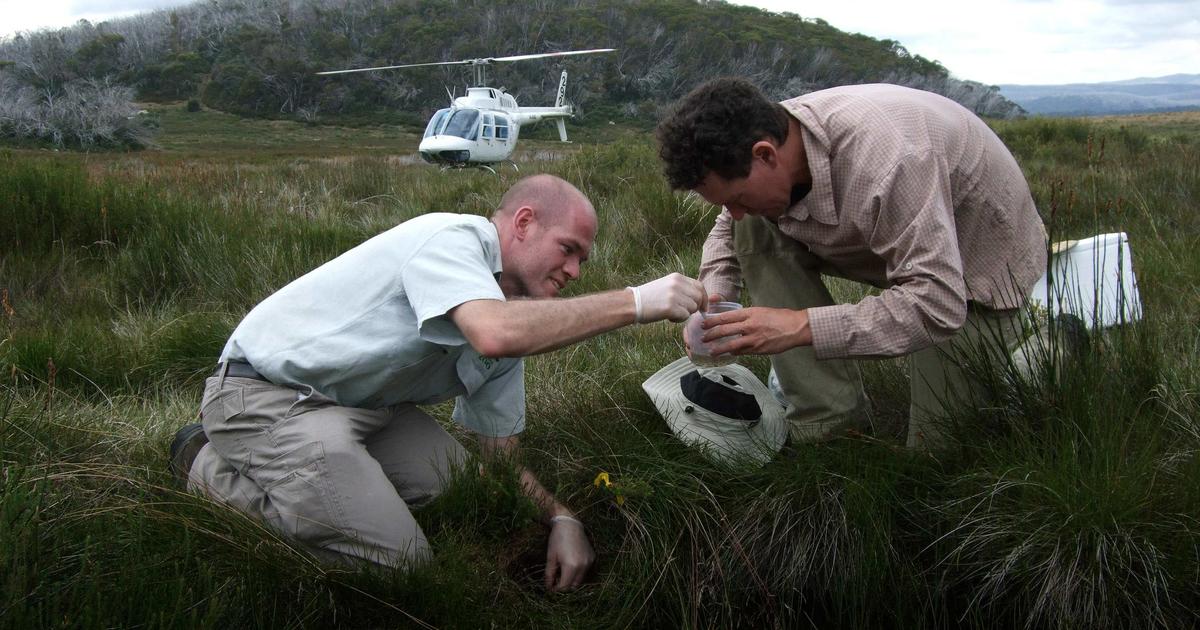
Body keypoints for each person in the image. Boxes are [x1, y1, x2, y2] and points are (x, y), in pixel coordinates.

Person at [168, 174, 706, 591]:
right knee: (398, 566)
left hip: (362, 408)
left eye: (583, 260)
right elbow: (493, 334)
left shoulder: (511, 316)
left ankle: (335, 491)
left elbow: (498, 453)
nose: (575, 272)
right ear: (523, 223)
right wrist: (637, 301)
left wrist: (562, 517)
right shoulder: (452, 239)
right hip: (264, 396)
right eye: (569, 249)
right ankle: (205, 466)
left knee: (460, 488)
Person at [655, 78, 1048, 449]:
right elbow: (729, 229)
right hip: (892, 240)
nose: (733, 213)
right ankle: (828, 420)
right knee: (753, 229)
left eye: (737, 197)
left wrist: (799, 326)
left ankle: (1051, 348)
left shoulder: (892, 163)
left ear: (765, 154)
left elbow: (937, 304)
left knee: (937, 453)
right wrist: (715, 303)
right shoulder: (768, 134)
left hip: (975, 272)